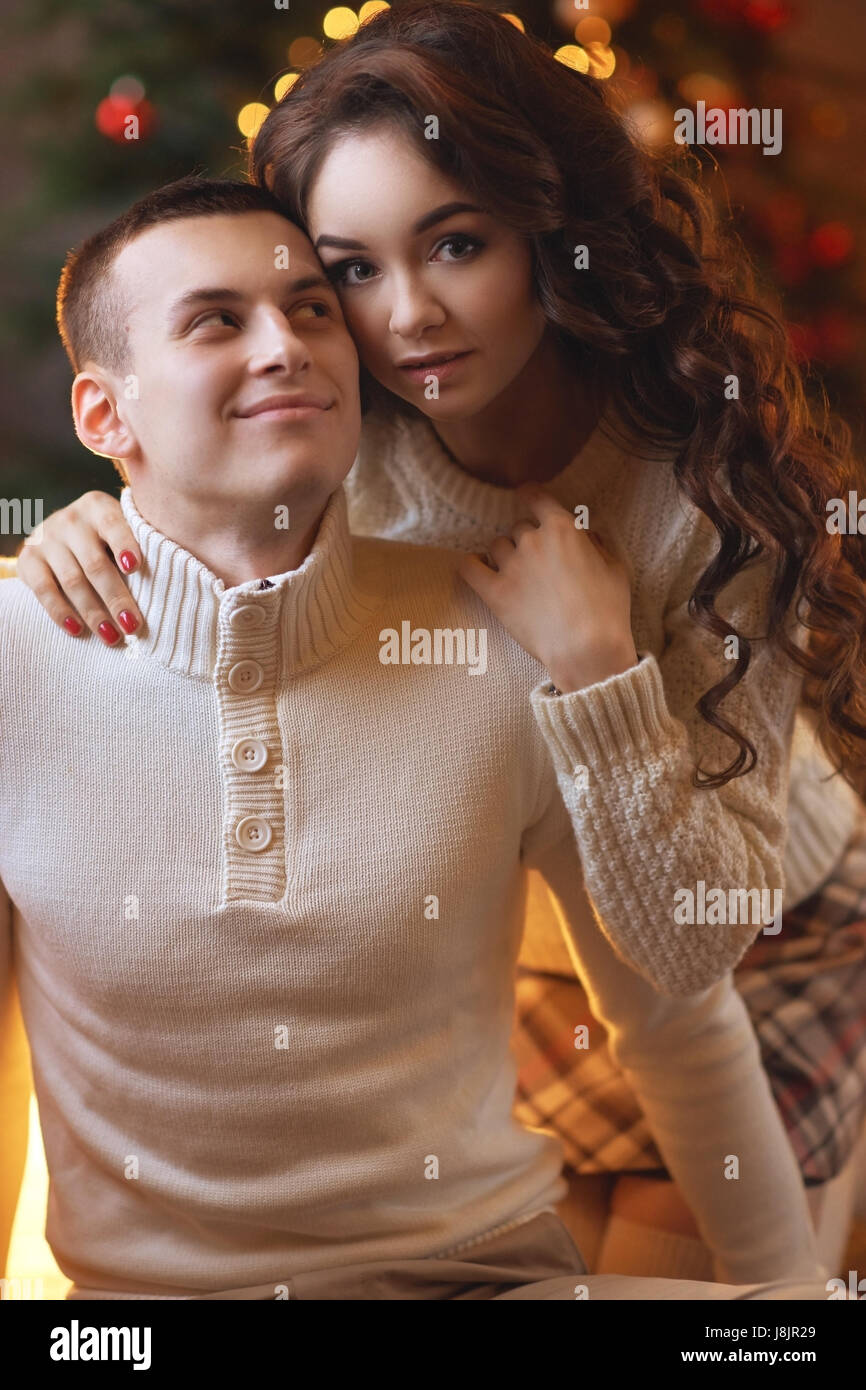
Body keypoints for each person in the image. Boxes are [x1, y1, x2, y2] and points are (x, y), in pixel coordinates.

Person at [10, 1, 866, 1279]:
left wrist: (597, 670)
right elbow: (196, 478)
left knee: (666, 1261)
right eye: (349, 269)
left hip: (750, 922)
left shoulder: (694, 490)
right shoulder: (341, 421)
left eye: (455, 244)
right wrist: (89, 525)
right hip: (489, 942)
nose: (403, 317)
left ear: (550, 237)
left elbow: (687, 954)